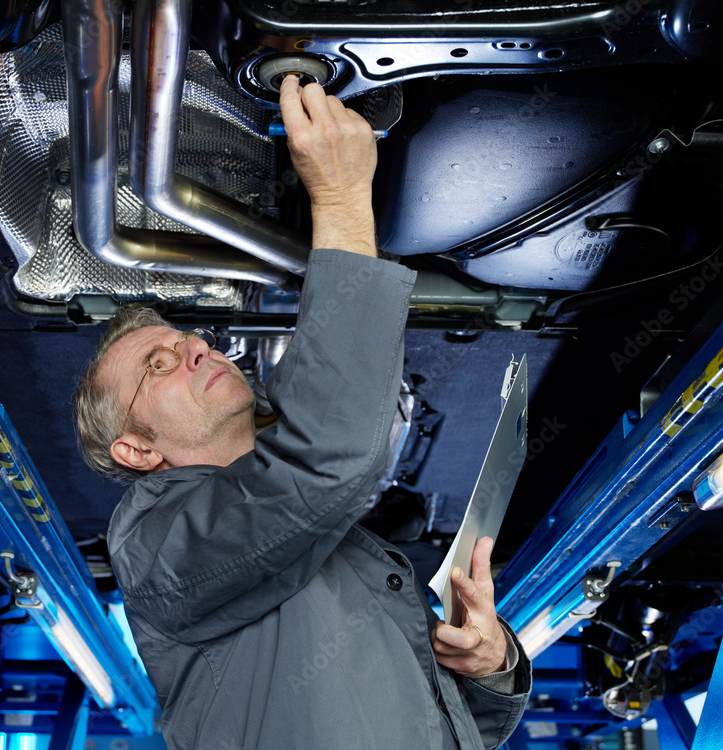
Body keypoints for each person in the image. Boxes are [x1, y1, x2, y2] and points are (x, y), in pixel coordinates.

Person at [74, 74, 531, 749]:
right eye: (157, 365)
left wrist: (489, 663)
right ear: (137, 450)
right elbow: (325, 458)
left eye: (189, 340)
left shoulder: (320, 545)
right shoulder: (154, 547)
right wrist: (341, 198)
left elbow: (449, 726)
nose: (195, 348)